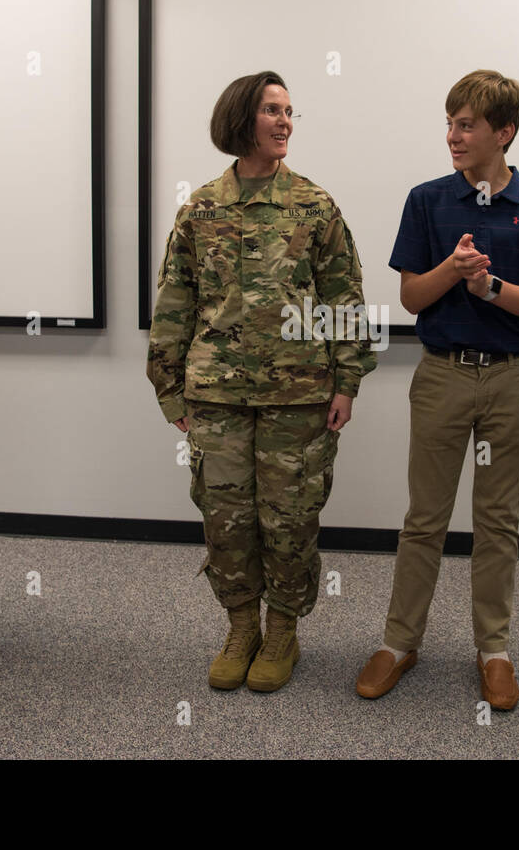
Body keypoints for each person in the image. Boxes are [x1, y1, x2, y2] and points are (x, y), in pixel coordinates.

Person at [146, 70, 376, 692]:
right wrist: (169, 389)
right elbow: (174, 300)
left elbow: (344, 300)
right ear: (241, 118)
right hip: (215, 395)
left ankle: (282, 631)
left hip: (297, 396)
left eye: (290, 111)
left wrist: (347, 381)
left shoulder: (313, 204)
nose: (284, 122)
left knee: (290, 519)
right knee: (225, 520)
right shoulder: (201, 206)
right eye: (272, 110)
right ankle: (240, 624)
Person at [356, 69, 519, 710]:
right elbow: (410, 296)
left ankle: (494, 650)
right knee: (424, 519)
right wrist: (451, 271)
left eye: (467, 124)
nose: (453, 135)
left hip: (511, 380)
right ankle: (400, 642)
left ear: (503, 132)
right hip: (442, 375)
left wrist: (493, 289)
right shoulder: (427, 200)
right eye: (450, 122)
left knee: (497, 522)